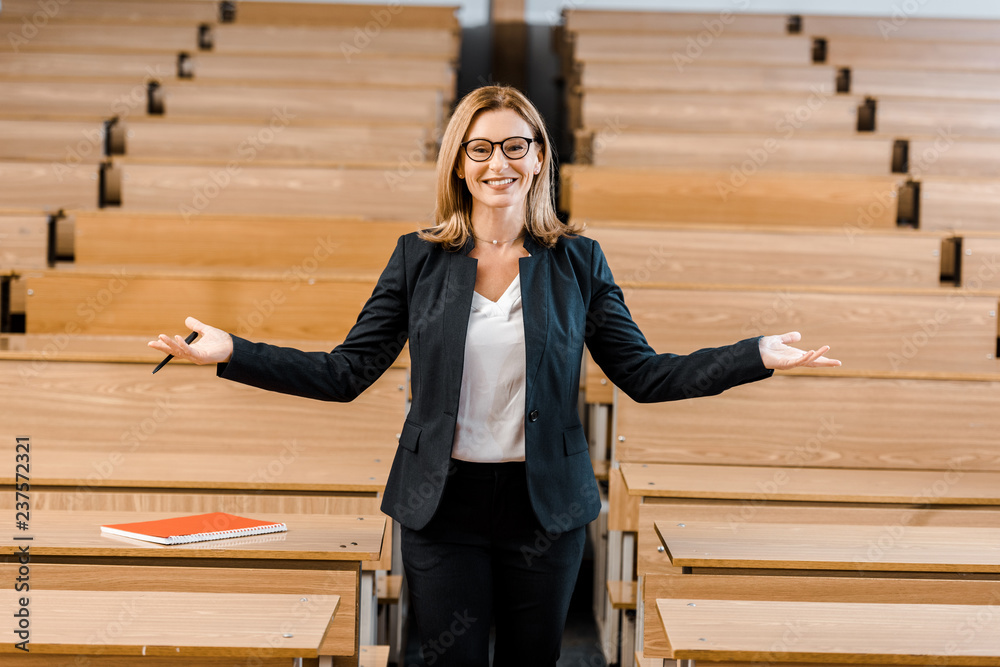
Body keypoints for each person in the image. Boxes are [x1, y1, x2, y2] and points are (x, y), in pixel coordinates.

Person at [148, 85, 840, 666]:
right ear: (459, 164)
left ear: (539, 158)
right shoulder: (418, 259)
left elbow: (645, 373)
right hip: (440, 506)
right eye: (480, 148)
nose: (498, 162)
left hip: (544, 509)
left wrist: (755, 356)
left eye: (516, 146)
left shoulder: (578, 262)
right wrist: (233, 350)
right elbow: (346, 370)